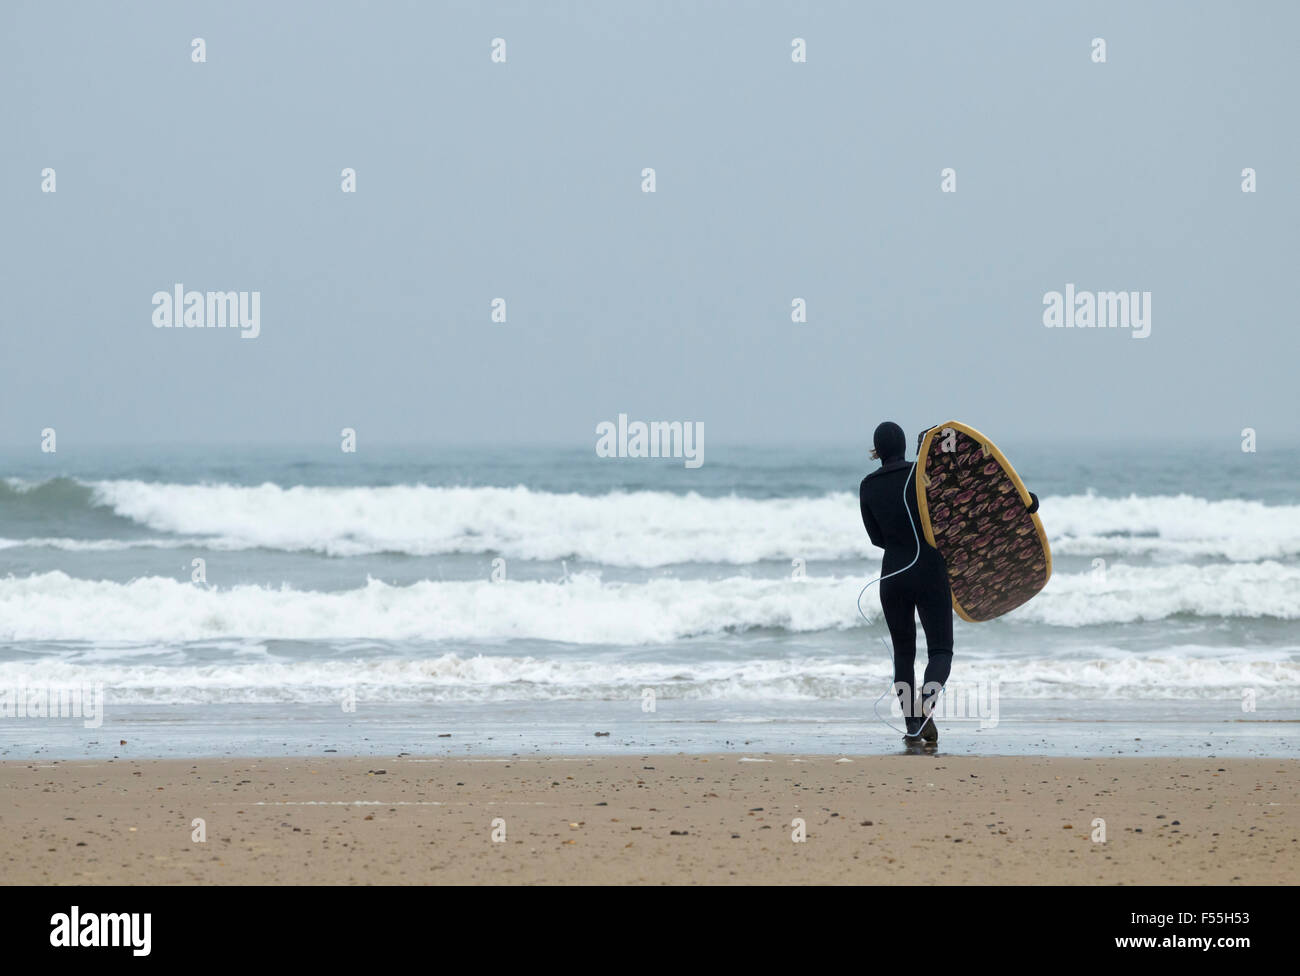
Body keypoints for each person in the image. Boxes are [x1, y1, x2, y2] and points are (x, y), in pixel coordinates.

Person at [859, 422, 951, 744]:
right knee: (940, 649)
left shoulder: (867, 486)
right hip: (928, 570)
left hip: (893, 574)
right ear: (903, 445)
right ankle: (926, 706)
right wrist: (1024, 504)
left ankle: (913, 724)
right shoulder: (922, 476)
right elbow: (954, 512)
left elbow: (876, 538)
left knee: (903, 653)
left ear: (877, 451)